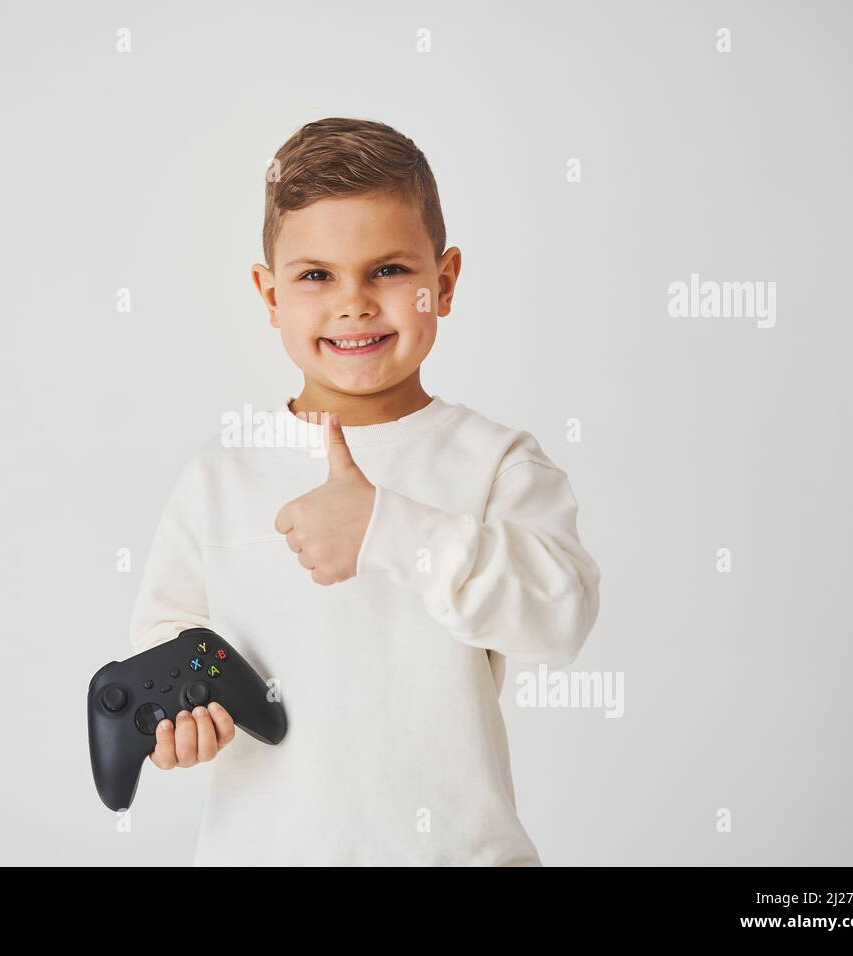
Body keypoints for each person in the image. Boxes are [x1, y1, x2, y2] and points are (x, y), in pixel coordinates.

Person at [128, 117, 601, 865]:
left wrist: (390, 528)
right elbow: (166, 640)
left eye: (388, 271)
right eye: (316, 275)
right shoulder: (218, 479)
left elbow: (561, 617)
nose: (353, 302)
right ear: (269, 292)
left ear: (442, 285)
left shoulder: (496, 463)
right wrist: (179, 727)